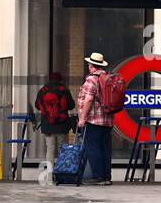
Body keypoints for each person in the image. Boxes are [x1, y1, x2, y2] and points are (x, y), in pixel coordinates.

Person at [77, 52, 114, 185]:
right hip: (108, 120)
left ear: (92, 66)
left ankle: (98, 176)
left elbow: (88, 99)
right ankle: (106, 177)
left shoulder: (91, 79)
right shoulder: (108, 78)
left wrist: (82, 119)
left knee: (93, 147)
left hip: (93, 120)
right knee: (105, 148)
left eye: (89, 64)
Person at [34, 71, 76, 166]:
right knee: (63, 148)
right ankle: (62, 169)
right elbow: (71, 106)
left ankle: (50, 171)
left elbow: (37, 105)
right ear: (60, 80)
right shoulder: (64, 90)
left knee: (50, 148)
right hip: (62, 124)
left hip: (47, 125)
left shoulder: (43, 90)